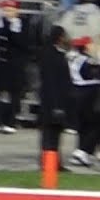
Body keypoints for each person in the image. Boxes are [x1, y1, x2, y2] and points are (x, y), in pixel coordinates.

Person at [0, 0, 31, 134]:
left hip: (16, 63)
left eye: (10, 10)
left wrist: (13, 31)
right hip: (2, 61)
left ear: (16, 10)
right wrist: (0, 29)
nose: (8, 13)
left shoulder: (23, 23)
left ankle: (11, 122)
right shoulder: (1, 23)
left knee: (14, 93)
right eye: (6, 10)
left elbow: (23, 44)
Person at [67, 37, 100, 168]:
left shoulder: (72, 57)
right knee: (93, 124)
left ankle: (80, 150)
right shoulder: (87, 60)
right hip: (88, 92)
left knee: (82, 125)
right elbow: (93, 74)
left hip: (76, 91)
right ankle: (84, 151)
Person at [38, 25, 73, 172]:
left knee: (55, 135)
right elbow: (51, 82)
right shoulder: (50, 55)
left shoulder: (57, 54)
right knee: (49, 135)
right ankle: (48, 163)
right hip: (52, 101)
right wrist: (56, 105)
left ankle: (54, 162)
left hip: (57, 100)